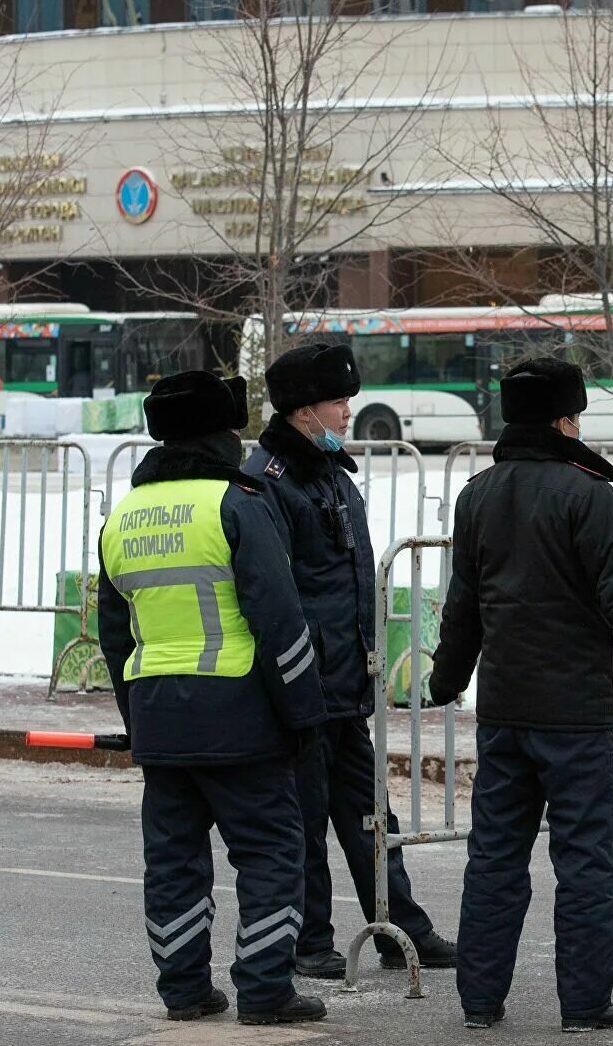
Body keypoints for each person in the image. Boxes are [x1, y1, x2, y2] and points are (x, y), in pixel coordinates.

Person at [426, 357, 613, 1033]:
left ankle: (479, 1001)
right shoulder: (586, 495)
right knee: (585, 861)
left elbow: (463, 605)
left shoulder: (477, 494)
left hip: (503, 710)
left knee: (494, 859)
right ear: (564, 420)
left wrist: (446, 679)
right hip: (576, 716)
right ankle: (586, 1004)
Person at [96, 370, 329, 1026]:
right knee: (272, 852)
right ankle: (263, 989)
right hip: (241, 719)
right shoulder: (236, 503)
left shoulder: (123, 517)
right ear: (220, 432)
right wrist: (304, 714)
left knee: (173, 860)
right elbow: (280, 621)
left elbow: (116, 640)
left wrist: (137, 719)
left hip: (161, 722)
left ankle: (183, 989)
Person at [242, 342, 458, 980]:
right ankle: (309, 942)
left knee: (372, 819)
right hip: (304, 691)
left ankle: (400, 932)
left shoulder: (331, 473)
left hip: (345, 687)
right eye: (338, 401)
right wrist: (298, 683)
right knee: (304, 825)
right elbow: (274, 597)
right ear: (304, 410)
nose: (347, 413)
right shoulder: (268, 482)